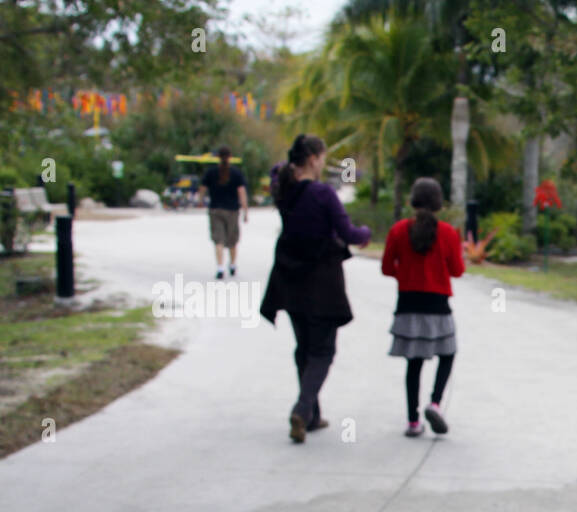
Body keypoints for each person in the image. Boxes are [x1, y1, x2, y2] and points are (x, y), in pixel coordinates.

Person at [259, 134, 371, 444]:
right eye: (322, 158)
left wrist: (290, 166)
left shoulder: (283, 189)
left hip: (289, 277)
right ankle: (302, 407)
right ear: (312, 159)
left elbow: (277, 170)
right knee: (323, 350)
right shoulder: (322, 194)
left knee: (304, 347)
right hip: (320, 280)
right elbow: (348, 232)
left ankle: (311, 416)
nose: (323, 164)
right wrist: (367, 232)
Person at [380, 178, 464, 437]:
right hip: (438, 306)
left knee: (414, 364)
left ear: (412, 201)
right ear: (439, 204)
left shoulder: (398, 230)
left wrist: (404, 274)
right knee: (447, 354)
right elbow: (457, 270)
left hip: (407, 304)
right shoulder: (448, 233)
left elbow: (386, 267)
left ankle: (413, 421)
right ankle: (436, 403)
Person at [198, 146, 248, 279]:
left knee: (218, 240)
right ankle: (232, 264)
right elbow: (242, 193)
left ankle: (220, 267)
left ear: (217, 157)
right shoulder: (236, 174)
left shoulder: (211, 173)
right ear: (230, 157)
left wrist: (200, 201)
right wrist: (245, 210)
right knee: (232, 241)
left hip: (215, 210)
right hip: (232, 211)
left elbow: (202, 189)